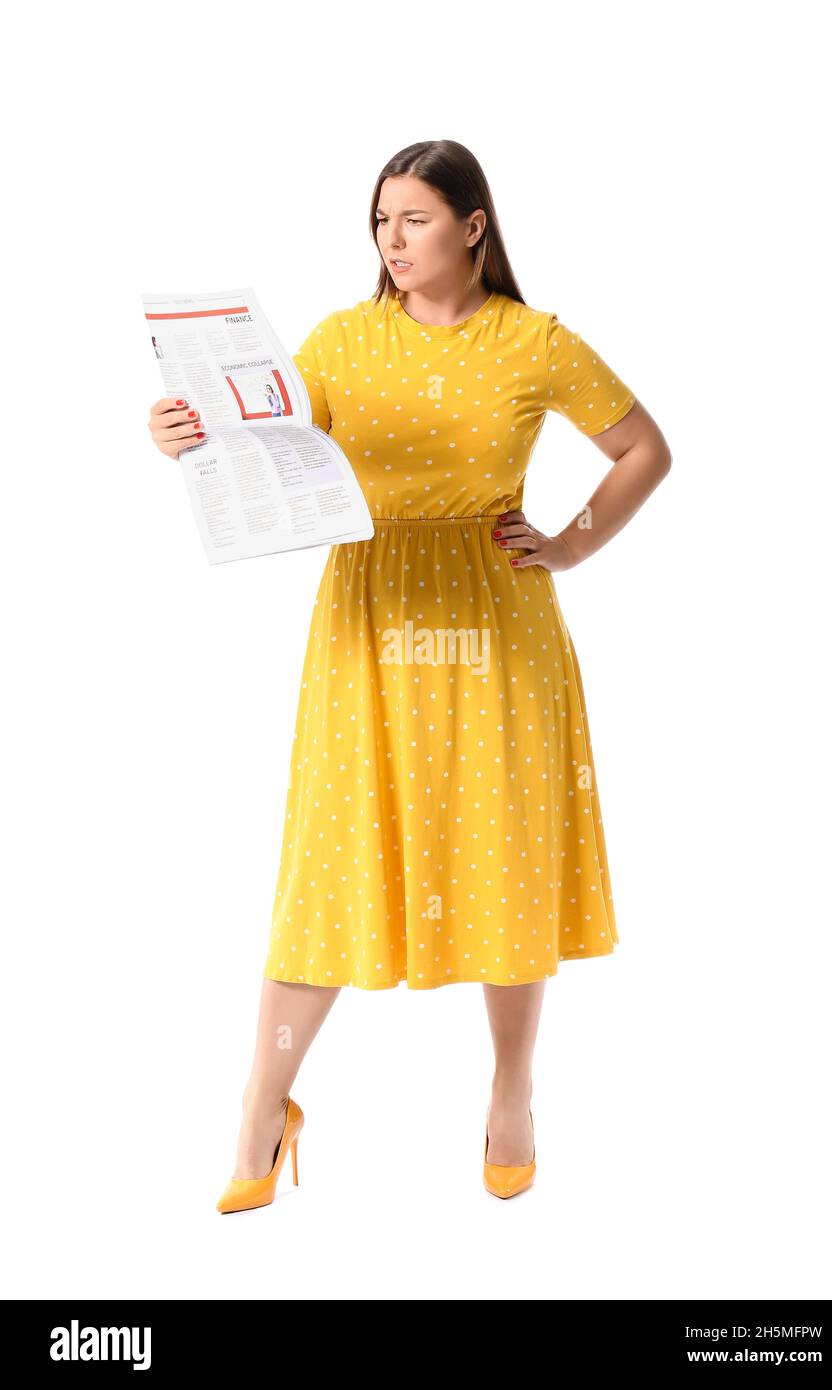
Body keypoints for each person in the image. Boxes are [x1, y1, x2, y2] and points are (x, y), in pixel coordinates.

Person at [147, 138, 672, 1211]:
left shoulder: (534, 342)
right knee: (333, 863)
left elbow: (642, 449)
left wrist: (568, 544)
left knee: (505, 854)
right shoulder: (342, 341)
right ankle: (262, 1104)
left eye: (414, 220)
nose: (391, 241)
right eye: (379, 222)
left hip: (495, 623)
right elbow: (271, 452)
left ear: (472, 226)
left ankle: (512, 1092)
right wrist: (183, 437)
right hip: (369, 617)